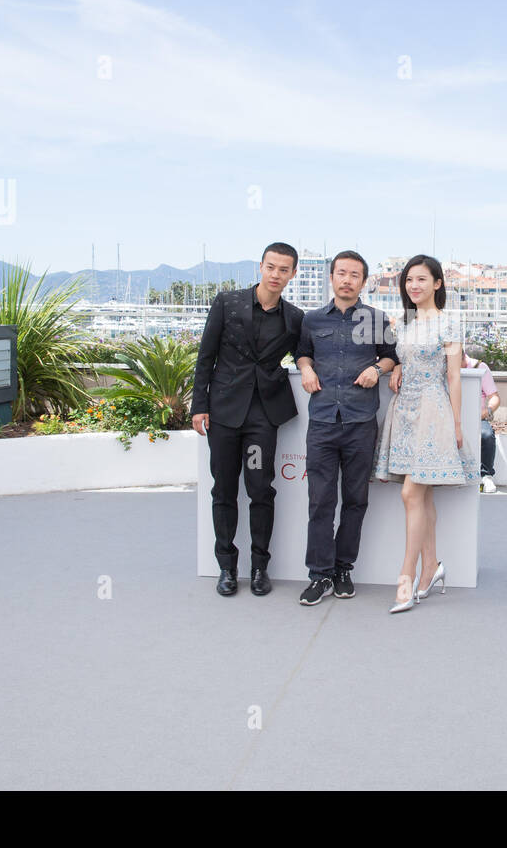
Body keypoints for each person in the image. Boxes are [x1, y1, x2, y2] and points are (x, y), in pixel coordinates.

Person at [190, 243, 304, 598]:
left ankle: (259, 568)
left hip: (262, 416)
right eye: (271, 267)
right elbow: (206, 355)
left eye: (283, 269)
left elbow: (306, 355)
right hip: (223, 412)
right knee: (223, 490)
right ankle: (226, 567)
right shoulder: (228, 302)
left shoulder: (294, 317)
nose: (276, 274)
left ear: (292, 274)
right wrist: (198, 405)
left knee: (260, 490)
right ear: (261, 266)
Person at [372, 254, 479, 614]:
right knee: (423, 497)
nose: (413, 286)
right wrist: (399, 365)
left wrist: (458, 423)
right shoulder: (402, 324)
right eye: (409, 281)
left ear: (437, 283)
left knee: (409, 494)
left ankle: (407, 576)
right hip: (404, 411)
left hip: (434, 411)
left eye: (421, 279)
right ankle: (432, 567)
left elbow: (453, 376)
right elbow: (402, 354)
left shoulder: (449, 324)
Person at [294, 250, 399, 606]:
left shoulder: (375, 318)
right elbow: (302, 352)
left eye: (355, 275)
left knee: (356, 500)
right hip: (323, 422)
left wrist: (378, 369)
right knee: (320, 501)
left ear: (363, 282)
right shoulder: (312, 320)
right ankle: (318, 575)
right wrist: (306, 368)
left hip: (359, 422)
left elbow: (390, 355)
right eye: (342, 273)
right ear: (332, 277)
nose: (347, 280)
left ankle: (343, 568)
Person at [463, 351, 500, 493]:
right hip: (451, 416)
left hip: (477, 417)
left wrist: (487, 411)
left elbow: (495, 397)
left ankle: (486, 475)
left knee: (486, 435)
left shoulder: (479, 366)